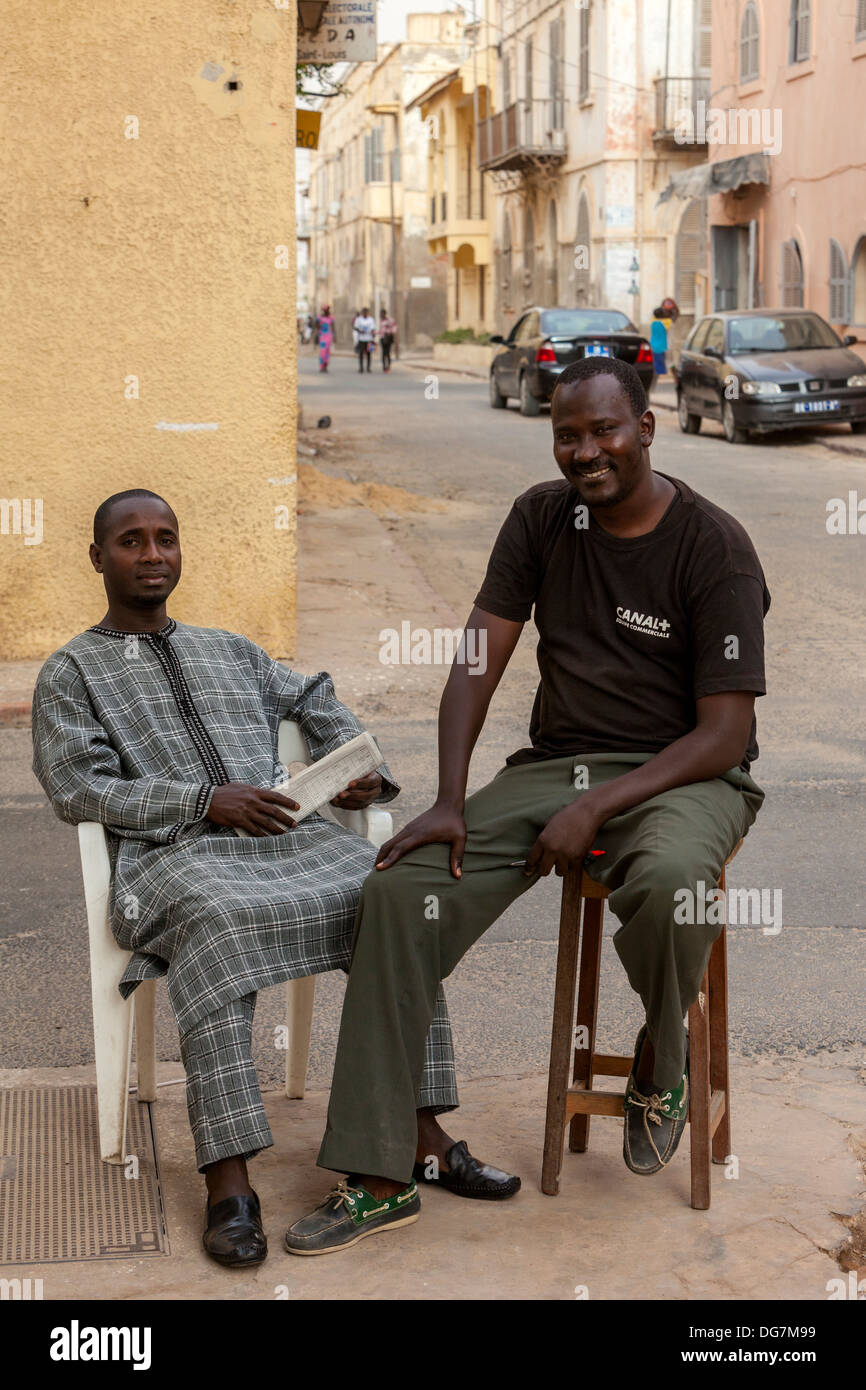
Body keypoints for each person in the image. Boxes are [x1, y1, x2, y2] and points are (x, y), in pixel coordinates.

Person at [286, 355, 769, 1255]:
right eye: (568, 435)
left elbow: (726, 735)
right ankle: (383, 1173)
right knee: (397, 892)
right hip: (557, 765)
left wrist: (601, 807)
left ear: (648, 427)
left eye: (605, 430)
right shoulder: (543, 519)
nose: (585, 451)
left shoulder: (714, 545)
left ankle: (662, 1063)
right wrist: (450, 798)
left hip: (687, 773)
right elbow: (479, 657)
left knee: (668, 881)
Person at [32, 489, 517, 1270]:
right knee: (219, 921)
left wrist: (362, 775)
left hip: (290, 843)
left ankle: (422, 1134)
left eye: (166, 538)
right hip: (171, 862)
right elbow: (79, 789)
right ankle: (230, 1183)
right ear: (98, 558)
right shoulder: (72, 673)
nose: (153, 555)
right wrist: (202, 801)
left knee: (394, 891)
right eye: (131, 541)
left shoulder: (230, 648)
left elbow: (314, 696)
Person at [353, 306, 376, 373]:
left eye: (366, 312)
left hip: (369, 339)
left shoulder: (371, 319)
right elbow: (355, 328)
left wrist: (373, 334)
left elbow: (373, 328)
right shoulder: (358, 319)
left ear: (368, 312)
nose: (365, 313)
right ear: (362, 312)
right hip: (361, 339)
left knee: (369, 353)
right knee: (361, 353)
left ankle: (368, 368)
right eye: (364, 312)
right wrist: (360, 331)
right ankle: (361, 367)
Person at [650, 307, 668, 377]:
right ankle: (661, 377)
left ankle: (657, 376)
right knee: (661, 364)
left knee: (655, 363)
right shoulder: (663, 324)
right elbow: (666, 332)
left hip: (653, 345)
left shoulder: (653, 323)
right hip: (661, 347)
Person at [378, 307, 397, 372]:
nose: (381, 315)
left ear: (385, 314)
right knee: (383, 353)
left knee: (388, 352)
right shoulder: (380, 321)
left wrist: (391, 332)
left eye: (382, 313)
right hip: (383, 338)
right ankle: (384, 366)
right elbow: (380, 330)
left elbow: (395, 327)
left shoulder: (390, 320)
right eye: (380, 314)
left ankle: (388, 365)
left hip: (389, 338)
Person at [317, 305, 335, 372]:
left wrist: (334, 337)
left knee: (327, 352)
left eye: (328, 310)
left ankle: (325, 366)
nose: (327, 311)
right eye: (326, 310)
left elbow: (333, 327)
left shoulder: (331, 318)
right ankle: (322, 366)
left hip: (329, 336)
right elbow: (317, 326)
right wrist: (319, 328)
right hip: (322, 336)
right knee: (322, 352)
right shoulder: (319, 317)